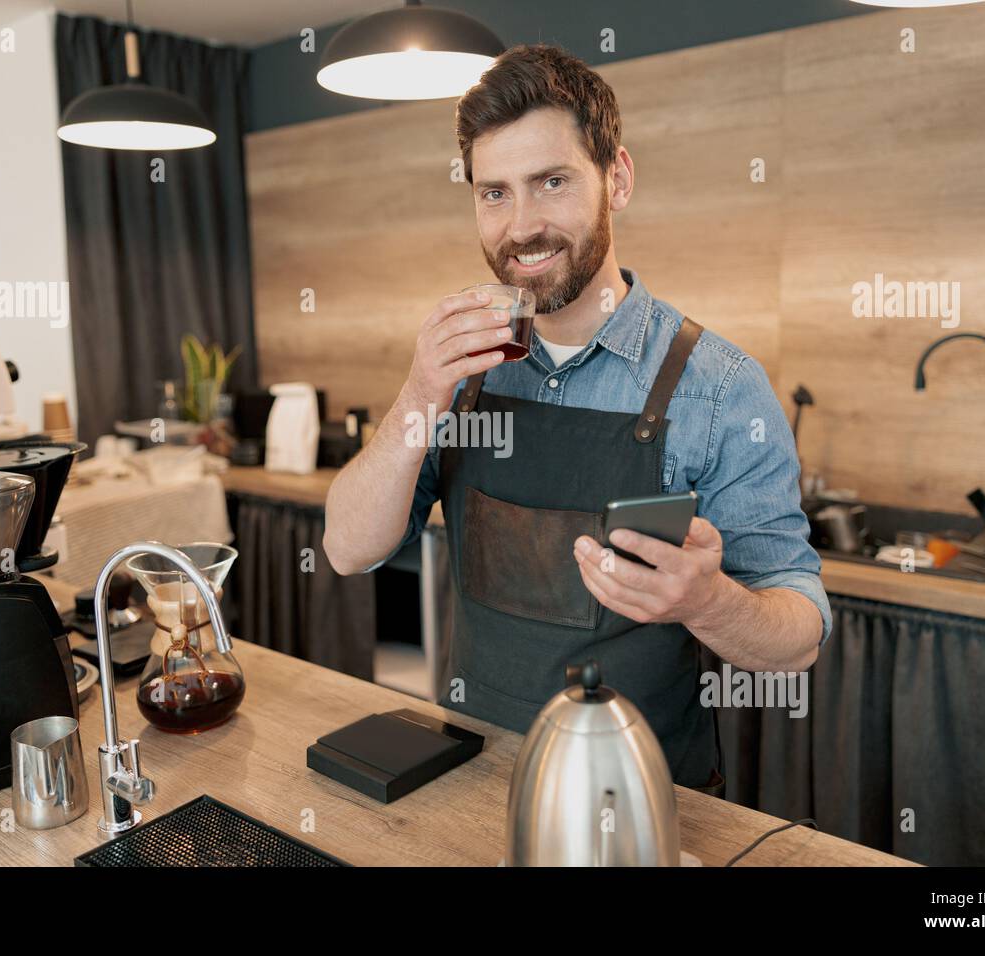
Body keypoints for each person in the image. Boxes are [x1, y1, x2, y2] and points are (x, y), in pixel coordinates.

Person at [324, 44, 829, 790]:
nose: (522, 225)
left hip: (647, 799)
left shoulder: (719, 388)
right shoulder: (458, 374)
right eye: (494, 193)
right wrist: (417, 395)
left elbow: (799, 638)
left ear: (616, 179)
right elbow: (347, 550)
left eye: (551, 182)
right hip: (471, 779)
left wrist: (706, 600)